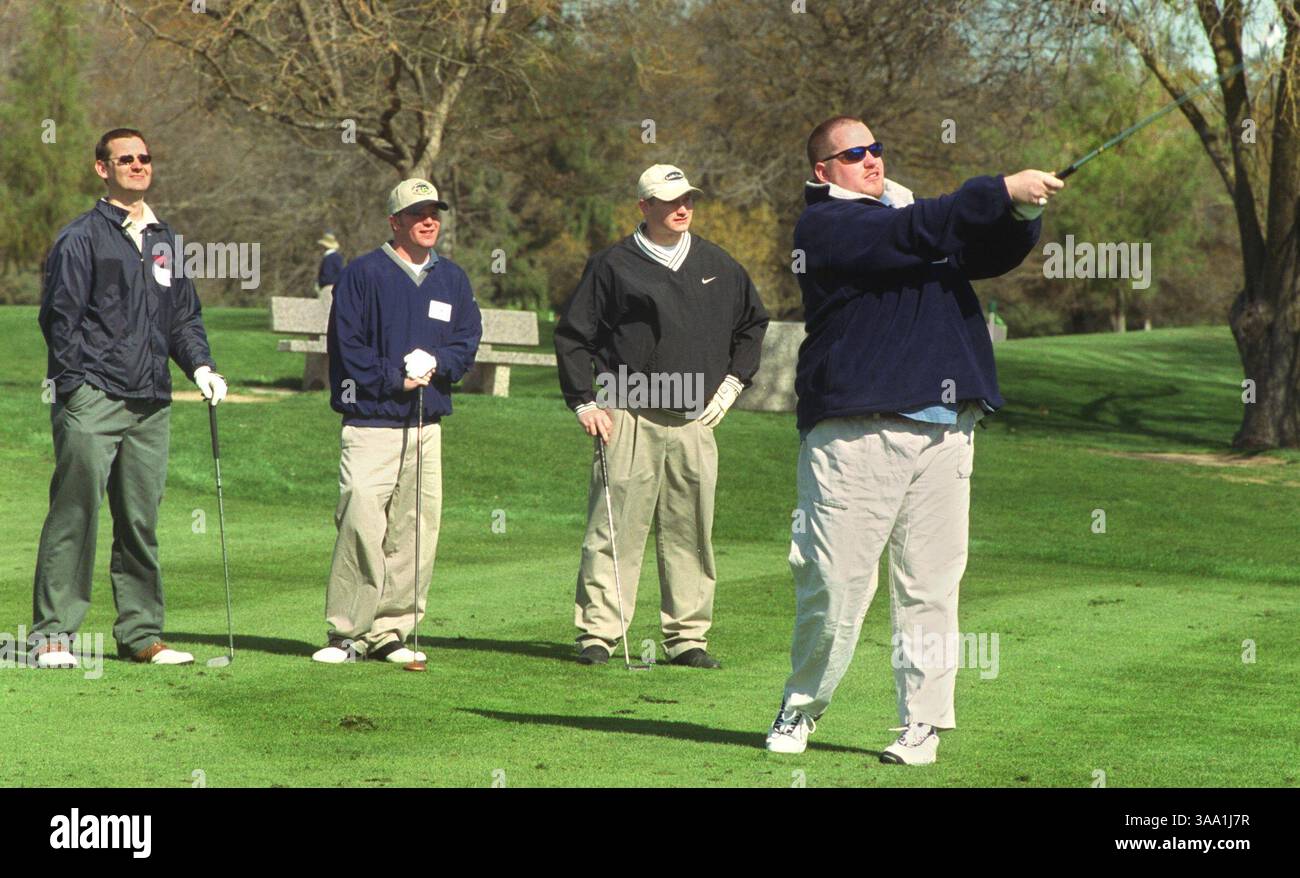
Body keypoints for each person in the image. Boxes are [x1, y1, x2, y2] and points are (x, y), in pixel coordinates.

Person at [764, 116, 1062, 763]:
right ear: (824, 171)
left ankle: (922, 723)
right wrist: (999, 186)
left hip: (946, 433)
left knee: (930, 585)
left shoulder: (907, 212)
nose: (871, 160)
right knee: (836, 584)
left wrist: (1017, 213)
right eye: (854, 153)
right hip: (856, 432)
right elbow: (913, 233)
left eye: (876, 149)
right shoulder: (827, 226)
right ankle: (802, 704)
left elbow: (984, 252)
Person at [554, 164, 770, 668]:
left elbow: (752, 326)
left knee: (691, 529)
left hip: (695, 416)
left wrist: (735, 382)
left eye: (689, 200)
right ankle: (599, 633)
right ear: (643, 206)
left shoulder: (719, 263)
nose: (682, 208)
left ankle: (687, 638)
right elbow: (573, 335)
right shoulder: (612, 265)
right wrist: (584, 399)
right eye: (670, 201)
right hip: (627, 408)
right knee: (614, 528)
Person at [30, 127, 227, 669]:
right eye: (125, 159)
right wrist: (73, 385)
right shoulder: (81, 237)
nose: (137, 166)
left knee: (139, 520)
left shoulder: (165, 239)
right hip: (94, 396)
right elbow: (59, 319)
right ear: (102, 169)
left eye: (144, 158)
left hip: (151, 401)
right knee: (76, 513)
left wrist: (202, 366)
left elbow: (183, 316)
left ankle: (141, 634)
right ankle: (52, 635)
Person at [312, 178, 482, 665]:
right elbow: (347, 346)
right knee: (361, 523)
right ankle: (347, 632)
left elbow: (467, 338)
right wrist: (393, 379)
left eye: (434, 213)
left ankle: (391, 631)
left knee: (414, 530)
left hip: (426, 425)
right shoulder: (363, 274)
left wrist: (439, 366)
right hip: (371, 422)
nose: (429, 221)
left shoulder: (452, 278)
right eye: (417, 214)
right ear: (395, 221)